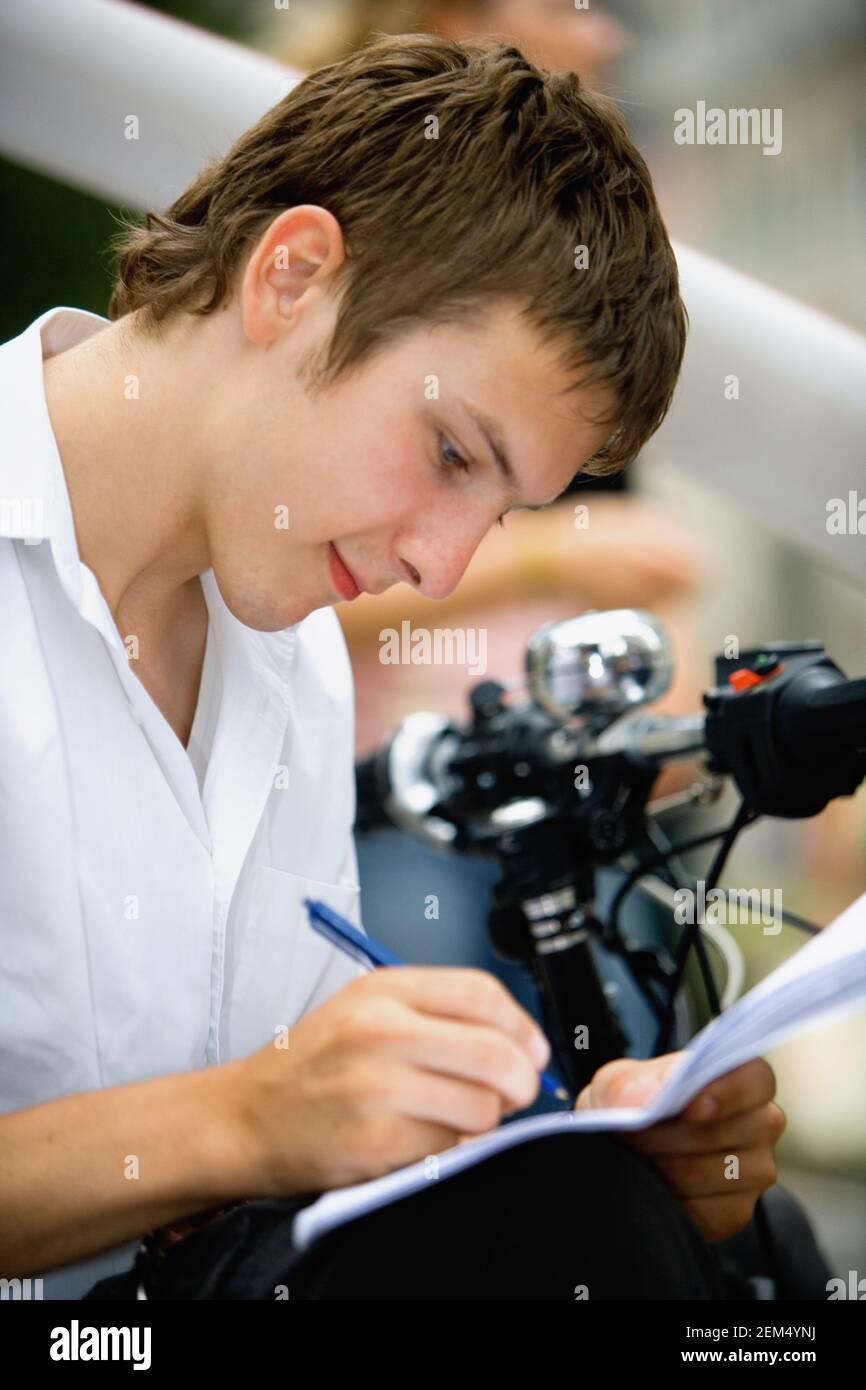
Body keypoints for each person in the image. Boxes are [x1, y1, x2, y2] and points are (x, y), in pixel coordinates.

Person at [0, 34, 784, 1300]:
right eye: (451, 454)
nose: (444, 566)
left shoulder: (291, 640)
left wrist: (544, 1130)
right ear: (293, 274)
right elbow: (257, 1126)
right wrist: (246, 1120)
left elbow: (292, 1158)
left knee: (680, 1231)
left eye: (504, 512)